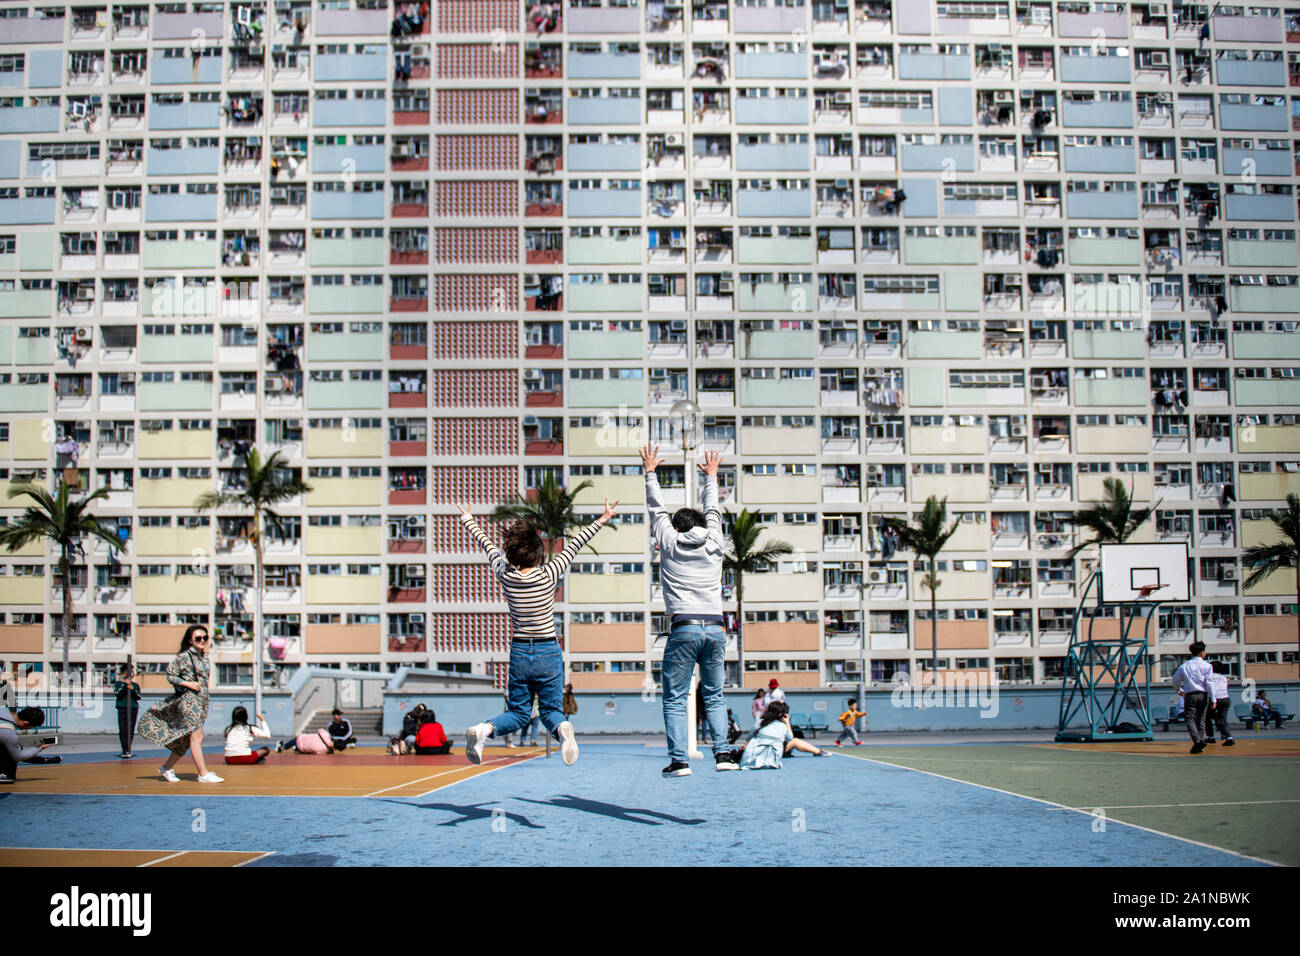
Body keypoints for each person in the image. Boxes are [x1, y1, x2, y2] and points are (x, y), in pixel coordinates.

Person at [459, 497, 617, 767]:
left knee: (519, 713)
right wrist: (602, 519)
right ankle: (562, 730)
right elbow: (576, 543)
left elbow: (488, 547)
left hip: (520, 651)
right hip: (547, 649)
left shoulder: (506, 576)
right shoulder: (549, 574)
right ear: (538, 554)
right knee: (551, 711)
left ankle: (484, 730)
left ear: (512, 554)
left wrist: (469, 521)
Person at [641, 445, 734, 777]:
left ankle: (680, 760)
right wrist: (711, 476)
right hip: (716, 628)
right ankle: (723, 754)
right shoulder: (715, 541)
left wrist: (650, 472)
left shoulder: (670, 540)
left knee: (675, 698)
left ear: (676, 528)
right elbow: (713, 509)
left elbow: (656, 508)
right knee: (715, 696)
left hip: (684, 628)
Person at [137, 624, 223, 783]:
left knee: (184, 740)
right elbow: (170, 675)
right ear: (190, 640)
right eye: (198, 638)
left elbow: (204, 684)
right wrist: (187, 683)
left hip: (200, 701)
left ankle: (166, 768)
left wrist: (206, 707)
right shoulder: (184, 657)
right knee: (197, 736)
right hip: (188, 700)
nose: (202, 640)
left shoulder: (204, 657)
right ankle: (203, 774)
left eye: (205, 637)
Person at [736, 701, 831, 769]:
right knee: (795, 741)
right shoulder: (782, 725)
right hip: (776, 752)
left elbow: (748, 738)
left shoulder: (760, 721)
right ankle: (818, 752)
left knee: (752, 741)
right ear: (781, 714)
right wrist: (787, 722)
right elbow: (790, 738)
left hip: (757, 751)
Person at [1170, 641, 1214, 754]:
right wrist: (1213, 698)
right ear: (1202, 652)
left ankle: (1197, 741)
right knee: (1201, 719)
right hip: (1203, 694)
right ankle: (1199, 742)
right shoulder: (1207, 666)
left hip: (1190, 694)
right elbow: (1209, 683)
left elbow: (1175, 680)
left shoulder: (1185, 665)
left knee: (1189, 718)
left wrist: (1179, 690)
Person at [0, 707, 50, 784]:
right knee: (13, 748)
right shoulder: (9, 733)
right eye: (31, 727)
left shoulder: (3, 709)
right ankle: (3, 774)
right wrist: (39, 748)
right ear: (26, 723)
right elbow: (18, 757)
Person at [111, 663, 142, 758]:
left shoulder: (135, 685)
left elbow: (138, 696)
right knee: (123, 729)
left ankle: (128, 748)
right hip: (122, 708)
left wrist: (132, 689)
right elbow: (118, 694)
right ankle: (124, 749)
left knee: (131, 729)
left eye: (133, 672)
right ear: (124, 674)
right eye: (130, 672)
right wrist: (125, 685)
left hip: (133, 708)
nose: (132, 674)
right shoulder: (118, 684)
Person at [1204, 661, 1233, 747]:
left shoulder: (1208, 677)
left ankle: (1210, 737)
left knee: (1207, 717)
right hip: (1225, 698)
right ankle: (1228, 737)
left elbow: (1207, 688)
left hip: (1214, 699)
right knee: (1222, 719)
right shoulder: (1223, 677)